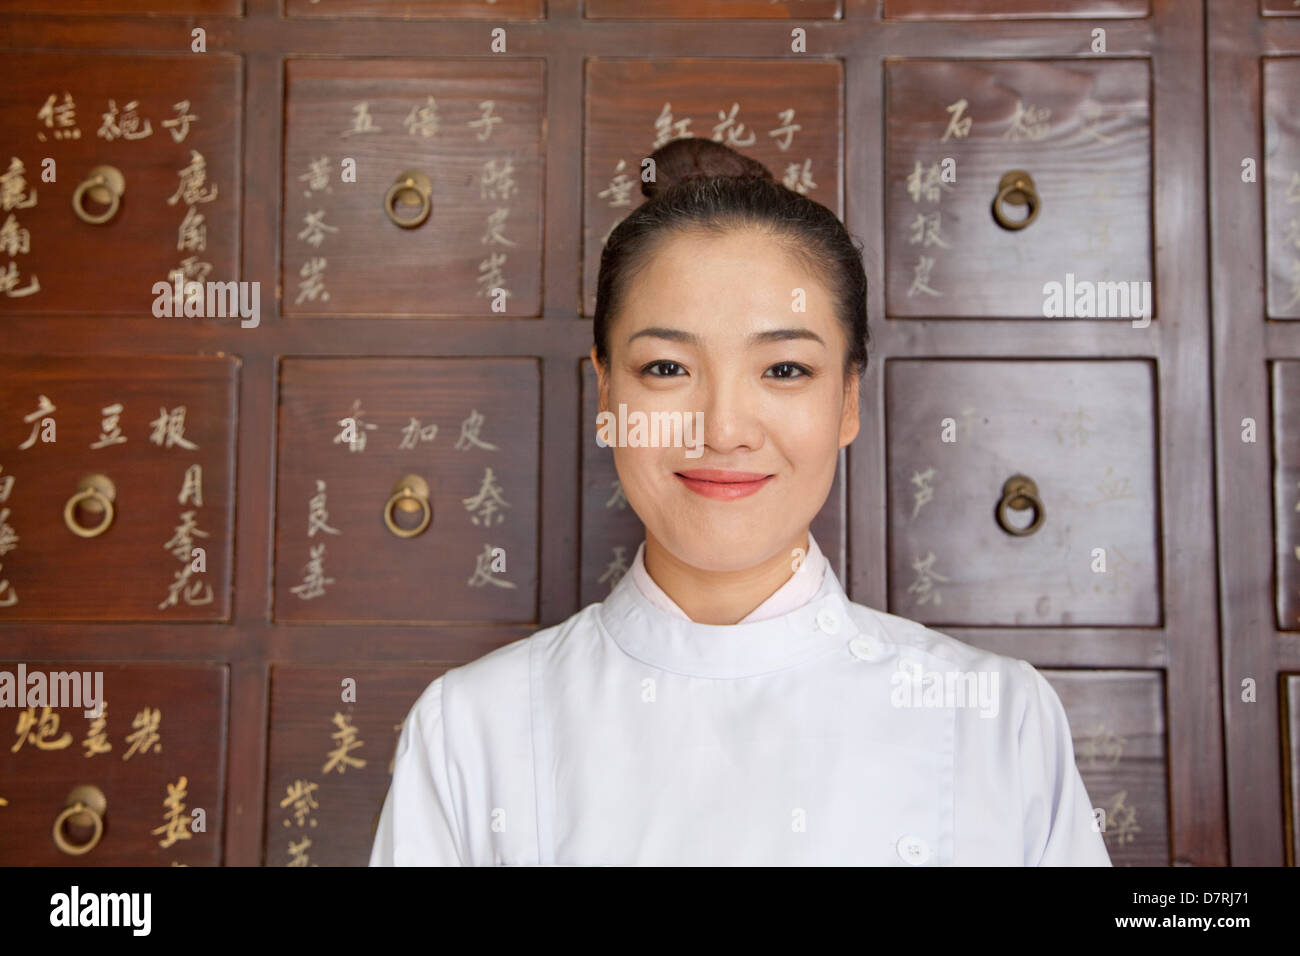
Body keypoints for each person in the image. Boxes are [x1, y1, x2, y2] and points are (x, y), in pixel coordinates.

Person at [370, 139, 1112, 866]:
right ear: (607, 391)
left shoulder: (997, 721)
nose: (722, 429)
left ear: (848, 400)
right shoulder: (472, 729)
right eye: (667, 367)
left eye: (784, 368)